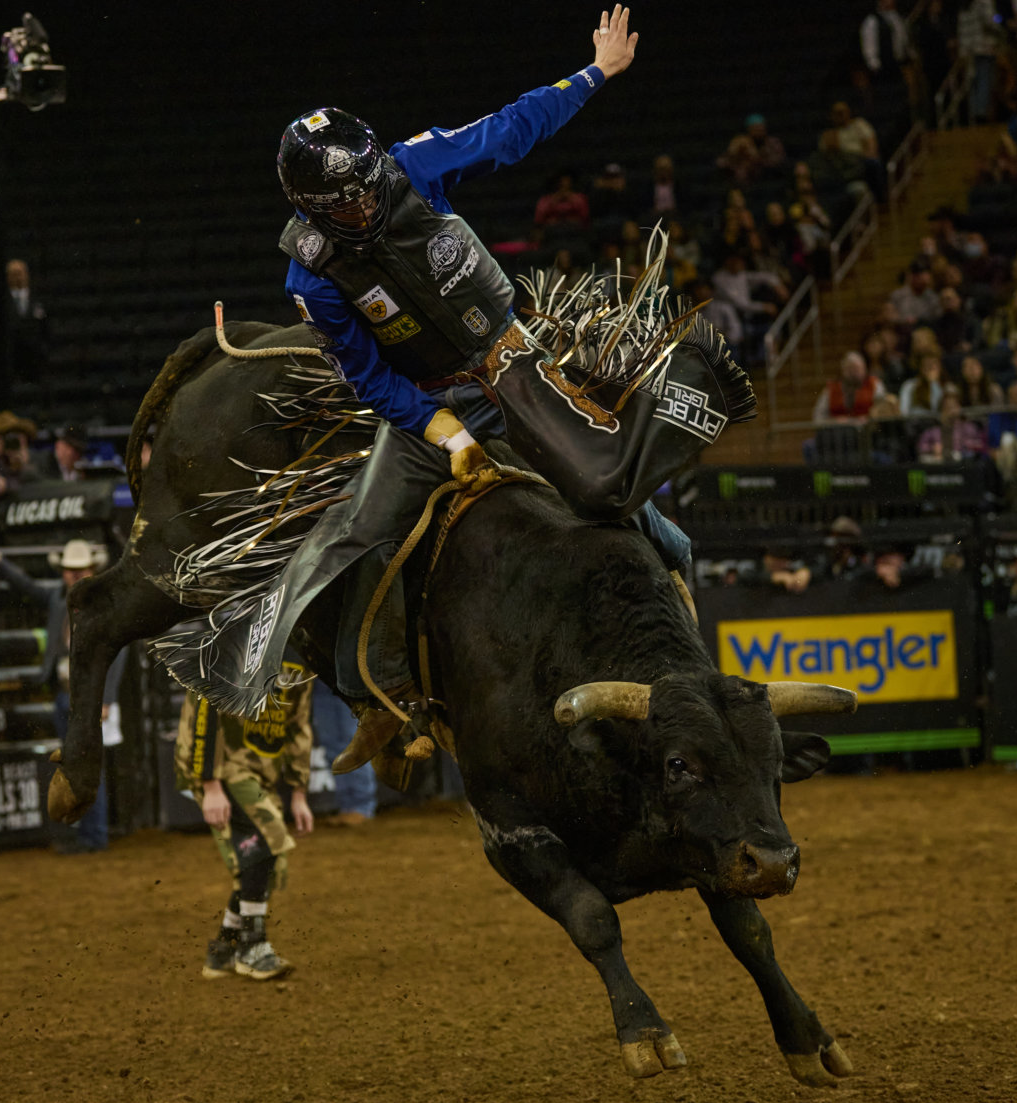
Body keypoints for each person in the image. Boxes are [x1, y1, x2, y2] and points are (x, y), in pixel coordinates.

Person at [275, 6, 688, 771]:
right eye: (351, 201)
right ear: (317, 210)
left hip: (513, 370)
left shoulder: (413, 166)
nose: (368, 204)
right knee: (359, 538)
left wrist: (595, 72)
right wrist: (444, 433)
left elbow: (508, 129)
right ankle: (378, 697)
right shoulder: (314, 276)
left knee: (624, 499)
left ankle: (683, 620)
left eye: (369, 189)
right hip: (426, 407)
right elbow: (367, 376)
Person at [0, 538, 125, 852]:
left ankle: (93, 836)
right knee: (77, 766)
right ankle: (89, 835)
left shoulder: (102, 604)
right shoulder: (60, 597)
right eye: (69, 570)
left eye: (79, 570)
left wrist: (105, 700)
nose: (73, 576)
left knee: (85, 767)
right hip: (67, 695)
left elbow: (118, 653)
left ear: (91, 570)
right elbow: (26, 585)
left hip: (87, 698)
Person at [175, 663, 314, 980]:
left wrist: (299, 792)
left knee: (265, 864)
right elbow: (204, 709)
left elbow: (299, 724)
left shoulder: (302, 657)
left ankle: (224, 949)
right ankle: (253, 947)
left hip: (259, 767)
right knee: (268, 840)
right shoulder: (235, 643)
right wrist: (209, 783)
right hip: (220, 764)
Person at [309, 680, 375, 826]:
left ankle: (362, 806)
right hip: (320, 684)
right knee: (331, 746)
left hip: (348, 684)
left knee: (352, 742)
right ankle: (347, 806)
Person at [3, 258, 49, 383]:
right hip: (11, 359)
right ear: (7, 277)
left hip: (34, 358)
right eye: (13, 274)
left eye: (20, 273)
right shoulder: (1, 301)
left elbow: (46, 327)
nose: (17, 277)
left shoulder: (38, 298)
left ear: (26, 275)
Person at [812, 351, 885, 423]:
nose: (853, 373)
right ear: (843, 370)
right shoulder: (831, 389)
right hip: (838, 431)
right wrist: (834, 421)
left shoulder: (875, 384)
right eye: (850, 369)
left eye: (857, 369)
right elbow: (818, 416)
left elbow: (884, 412)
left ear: (864, 369)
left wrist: (870, 418)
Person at [917, 391, 987, 461]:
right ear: (941, 410)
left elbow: (979, 445)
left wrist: (964, 444)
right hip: (940, 464)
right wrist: (932, 448)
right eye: (947, 407)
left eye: (953, 406)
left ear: (960, 408)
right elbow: (921, 447)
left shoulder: (969, 427)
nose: (951, 411)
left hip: (964, 463)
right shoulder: (933, 430)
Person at [0, 411, 40, 499]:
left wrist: (25, 464)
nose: (12, 441)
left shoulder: (39, 458)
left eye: (16, 435)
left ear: (24, 437)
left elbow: (43, 484)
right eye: (7, 437)